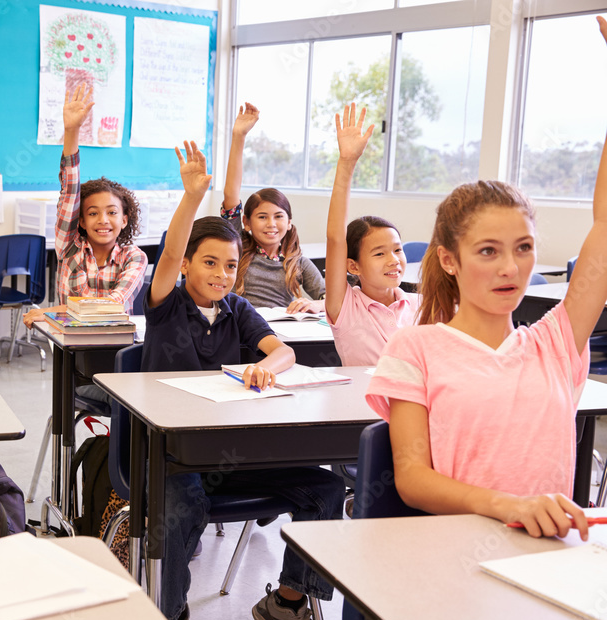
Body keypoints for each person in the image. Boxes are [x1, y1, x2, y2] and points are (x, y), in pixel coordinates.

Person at [364, 15, 607, 544]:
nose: (509, 268)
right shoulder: (416, 348)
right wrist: (505, 506)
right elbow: (412, 480)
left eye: (523, 250)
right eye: (488, 251)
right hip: (455, 559)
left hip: (546, 562)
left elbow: (606, 223)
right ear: (449, 260)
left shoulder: (555, 344)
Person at [143, 139, 344, 620]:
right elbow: (167, 251)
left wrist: (264, 365)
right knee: (184, 504)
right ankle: (165, 617)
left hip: (234, 454)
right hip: (173, 457)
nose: (221, 274)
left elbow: (285, 351)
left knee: (324, 492)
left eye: (230, 266)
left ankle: (289, 601)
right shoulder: (167, 305)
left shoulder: (236, 309)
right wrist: (192, 198)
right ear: (185, 265)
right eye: (208, 263)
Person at [23, 83, 147, 328]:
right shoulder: (70, 248)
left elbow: (114, 304)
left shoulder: (134, 257)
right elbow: (69, 191)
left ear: (124, 219)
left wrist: (56, 310)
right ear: (80, 220)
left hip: (116, 345)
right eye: (92, 213)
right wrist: (72, 130)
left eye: (112, 212)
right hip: (70, 344)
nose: (103, 219)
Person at [324, 103, 421, 366]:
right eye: (379, 253)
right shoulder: (344, 306)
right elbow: (335, 238)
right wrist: (347, 163)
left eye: (397, 250)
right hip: (361, 404)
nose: (393, 260)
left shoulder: (419, 305)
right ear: (353, 265)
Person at [222, 102, 325, 313]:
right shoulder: (236, 245)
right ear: (246, 222)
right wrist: (239, 137)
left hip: (281, 332)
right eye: (262, 217)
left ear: (289, 223)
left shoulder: (298, 262)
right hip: (239, 329)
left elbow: (331, 299)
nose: (271, 224)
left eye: (278, 216)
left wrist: (314, 303)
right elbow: (231, 194)